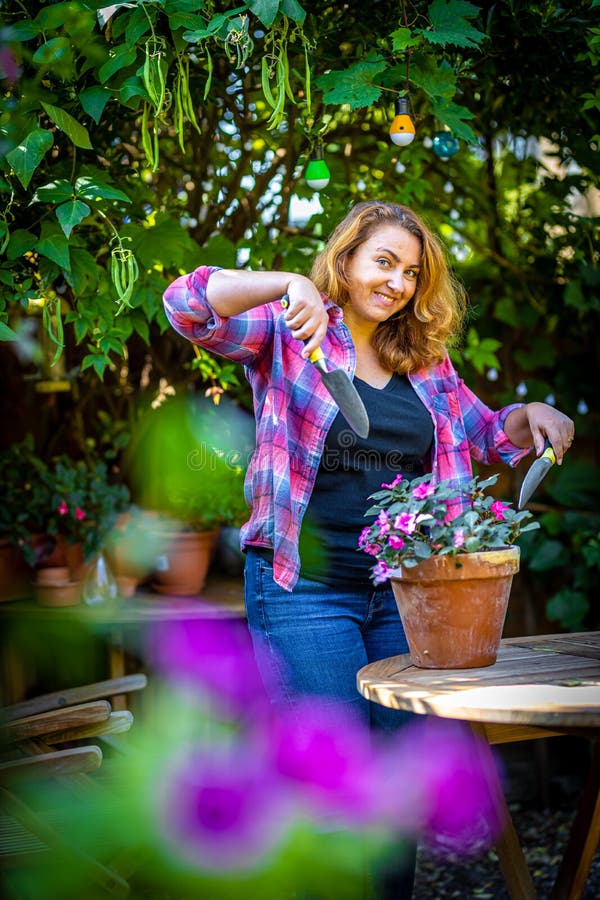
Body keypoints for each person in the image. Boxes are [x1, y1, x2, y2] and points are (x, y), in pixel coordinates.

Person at [163, 200, 574, 726]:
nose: (398, 283)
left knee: (412, 769)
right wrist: (289, 283)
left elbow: (487, 435)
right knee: (341, 770)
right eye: (384, 262)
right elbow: (187, 305)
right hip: (305, 592)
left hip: (407, 593)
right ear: (347, 259)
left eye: (411, 273)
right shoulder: (291, 332)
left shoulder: (424, 359)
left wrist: (532, 414)